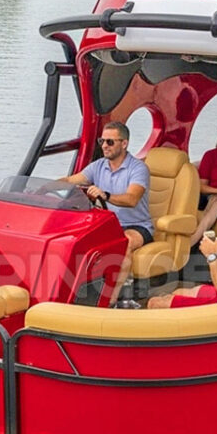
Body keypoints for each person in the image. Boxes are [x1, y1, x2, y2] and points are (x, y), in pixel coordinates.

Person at [61, 121, 152, 304]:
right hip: (107, 223)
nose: (104, 146)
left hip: (137, 225)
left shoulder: (138, 169)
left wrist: (106, 195)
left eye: (110, 142)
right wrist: (43, 188)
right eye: (102, 141)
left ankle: (109, 302)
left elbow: (132, 199)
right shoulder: (98, 166)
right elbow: (72, 180)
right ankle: (70, 294)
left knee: (123, 243)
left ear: (124, 143)